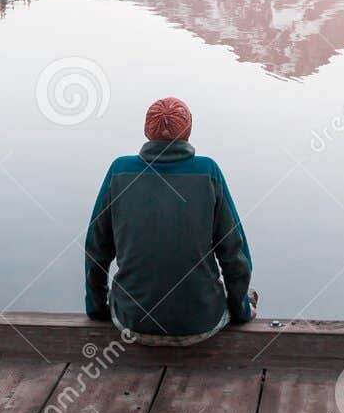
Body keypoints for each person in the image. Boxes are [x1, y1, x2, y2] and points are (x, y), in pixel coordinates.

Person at [84, 97, 255, 345]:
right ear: (188, 131)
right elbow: (234, 254)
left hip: (132, 322)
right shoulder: (207, 172)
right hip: (200, 323)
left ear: (147, 131)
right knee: (249, 296)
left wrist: (97, 308)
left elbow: (96, 249)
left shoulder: (120, 171)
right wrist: (242, 311)